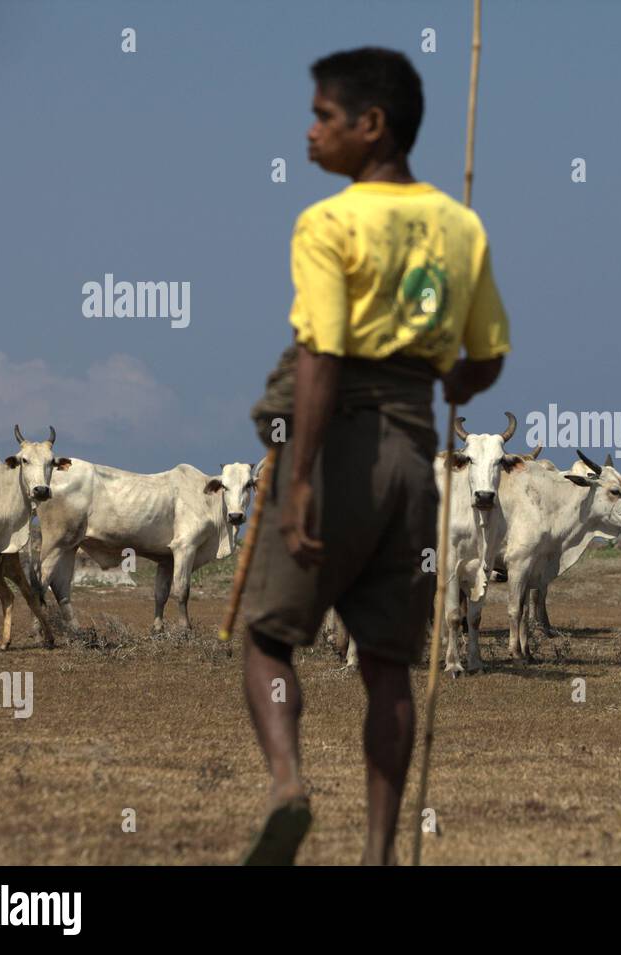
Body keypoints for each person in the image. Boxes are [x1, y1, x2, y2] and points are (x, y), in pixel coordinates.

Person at [241, 47, 510, 865]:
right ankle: (380, 850)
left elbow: (320, 357)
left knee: (266, 637)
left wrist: (298, 486)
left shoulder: (328, 223)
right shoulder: (459, 226)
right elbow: (488, 359)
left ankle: (288, 784)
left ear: (372, 126)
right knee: (389, 664)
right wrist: (446, 377)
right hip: (417, 455)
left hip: (339, 446)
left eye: (324, 116)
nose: (311, 131)